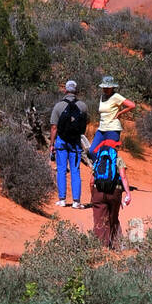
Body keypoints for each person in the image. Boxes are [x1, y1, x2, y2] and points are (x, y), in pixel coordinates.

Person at [50, 80, 89, 209]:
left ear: (65, 90)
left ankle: (62, 200)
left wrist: (52, 144)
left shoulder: (58, 106)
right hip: (76, 142)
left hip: (61, 141)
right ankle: (76, 202)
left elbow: (54, 127)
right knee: (75, 171)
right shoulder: (83, 106)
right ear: (76, 91)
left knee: (61, 169)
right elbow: (85, 123)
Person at [90, 141, 131, 249]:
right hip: (114, 192)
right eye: (117, 146)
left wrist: (93, 195)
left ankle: (100, 247)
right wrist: (128, 193)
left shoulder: (98, 159)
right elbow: (123, 177)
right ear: (113, 148)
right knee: (113, 218)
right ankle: (116, 245)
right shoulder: (118, 159)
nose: (118, 148)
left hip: (98, 191)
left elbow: (91, 180)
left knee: (99, 219)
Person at [89, 75, 135, 155]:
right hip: (101, 128)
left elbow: (132, 105)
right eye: (104, 87)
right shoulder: (102, 97)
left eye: (108, 88)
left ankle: (116, 167)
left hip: (112, 129)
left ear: (112, 87)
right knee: (92, 151)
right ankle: (99, 167)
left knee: (110, 153)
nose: (105, 89)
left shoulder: (116, 96)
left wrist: (120, 113)